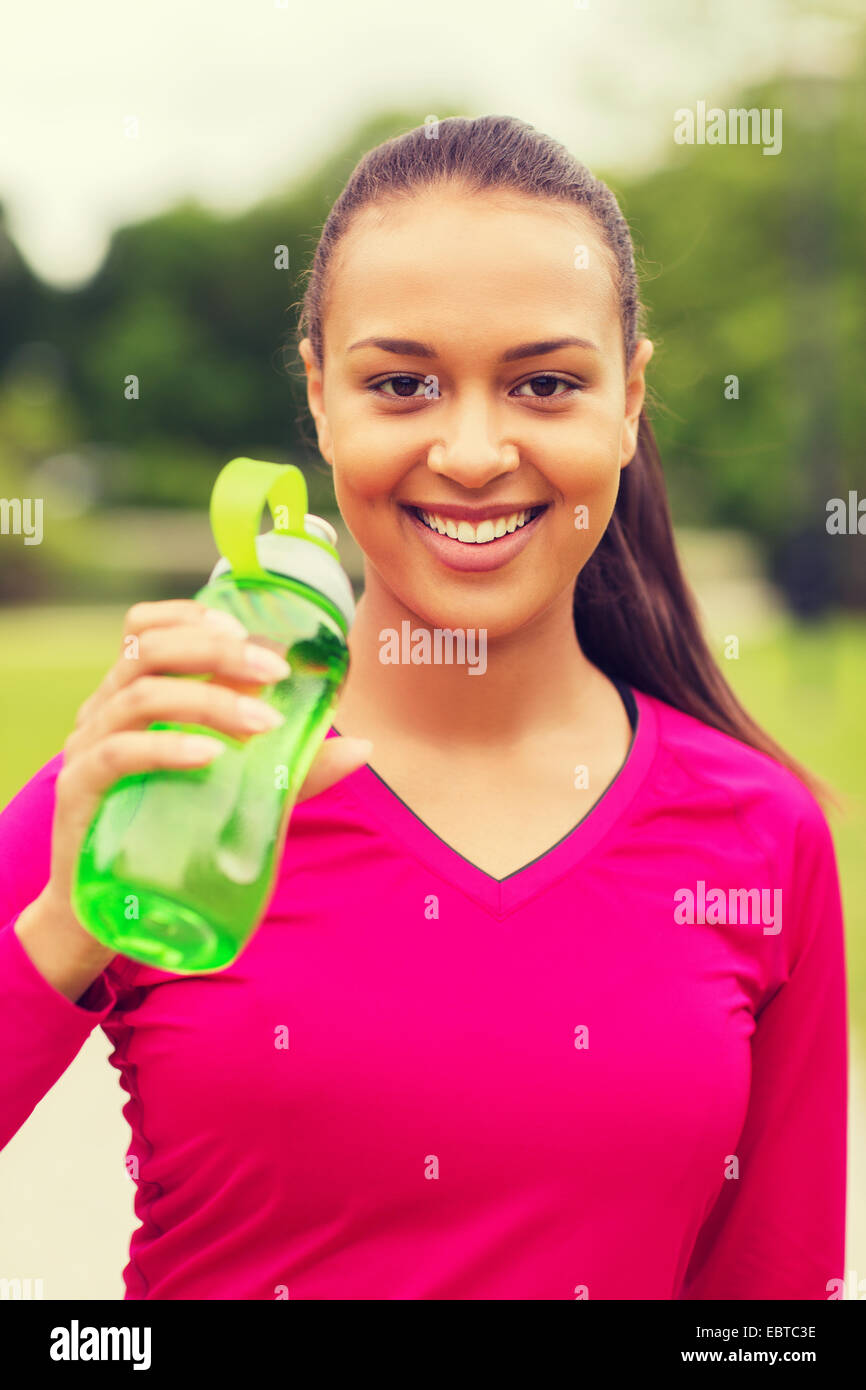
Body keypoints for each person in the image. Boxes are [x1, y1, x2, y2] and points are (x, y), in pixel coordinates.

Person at [0, 115, 847, 1300]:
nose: (468, 449)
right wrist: (69, 924)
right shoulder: (165, 761)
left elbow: (768, 1305)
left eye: (543, 383)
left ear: (629, 398)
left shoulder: (761, 837)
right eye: (401, 384)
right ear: (319, 396)